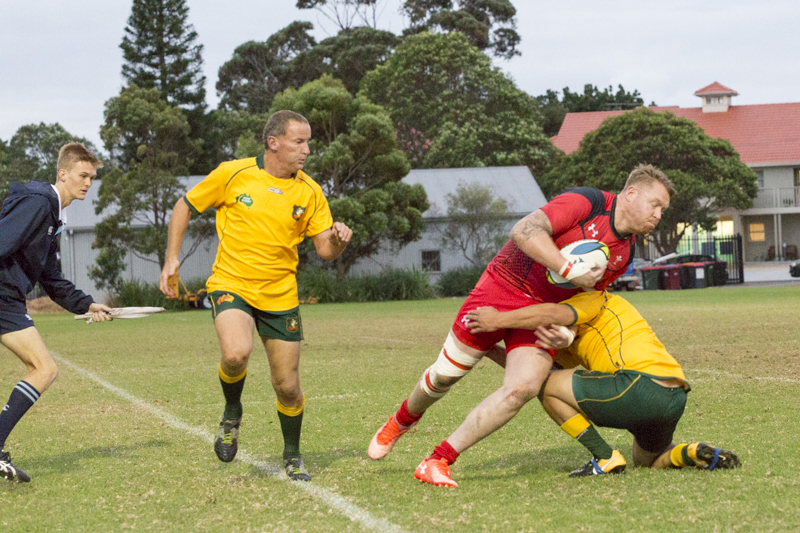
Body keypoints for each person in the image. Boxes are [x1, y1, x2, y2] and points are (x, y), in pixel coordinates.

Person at [368, 164, 674, 487]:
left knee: (524, 388)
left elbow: (587, 301)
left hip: (540, 313)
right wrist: (567, 267)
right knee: (446, 374)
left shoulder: (624, 254)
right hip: (502, 284)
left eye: (663, 210)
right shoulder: (590, 203)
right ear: (631, 193)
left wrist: (566, 333)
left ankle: (438, 460)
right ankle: (402, 420)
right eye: (655, 204)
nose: (658, 215)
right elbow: (525, 229)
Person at [159, 110, 352, 481]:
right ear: (273, 142)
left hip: (280, 295)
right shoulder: (232, 173)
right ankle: (232, 412)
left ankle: (292, 456)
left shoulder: (310, 192)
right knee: (235, 353)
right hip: (232, 284)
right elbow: (185, 205)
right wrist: (172, 257)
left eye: (308, 142)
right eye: (299, 141)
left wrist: (339, 241)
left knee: (288, 386)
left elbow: (325, 250)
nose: (307, 150)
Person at [465, 290, 740, 476]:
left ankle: (604, 457)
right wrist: (491, 350)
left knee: (545, 389)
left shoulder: (589, 299)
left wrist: (497, 321)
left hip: (635, 386)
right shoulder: (598, 309)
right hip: (674, 393)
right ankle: (689, 453)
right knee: (648, 463)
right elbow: (537, 370)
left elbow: (541, 378)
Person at [0, 143, 114, 482]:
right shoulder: (39, 203)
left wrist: (87, 304)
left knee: (44, 368)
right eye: (82, 175)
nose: (88, 183)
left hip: (7, 298)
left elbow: (50, 277)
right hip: (2, 296)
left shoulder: (53, 217)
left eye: (92, 177)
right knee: (44, 368)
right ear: (62, 174)